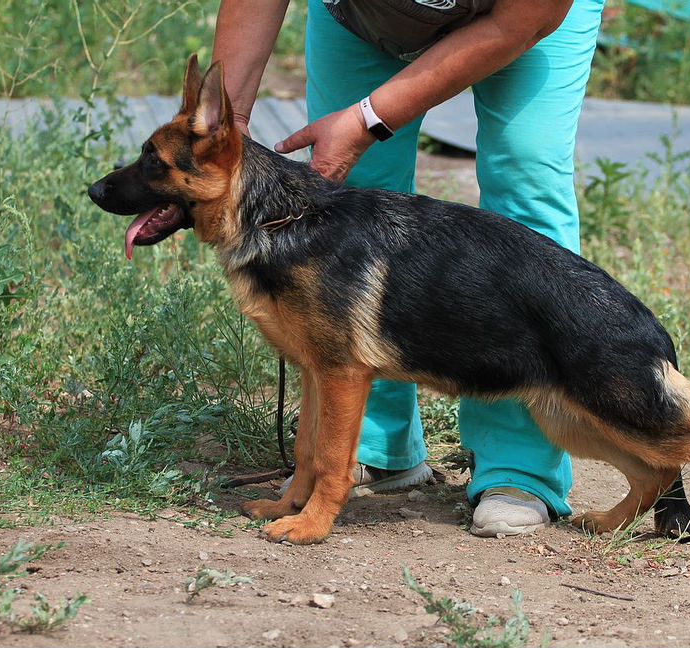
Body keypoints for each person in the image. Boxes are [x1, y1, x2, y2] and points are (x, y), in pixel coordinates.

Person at [212, 0, 604, 537]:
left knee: (525, 182)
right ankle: (376, 448)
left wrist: (368, 117)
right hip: (362, 16)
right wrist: (225, 121)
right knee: (350, 192)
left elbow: (522, 20)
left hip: (523, 13)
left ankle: (519, 465)